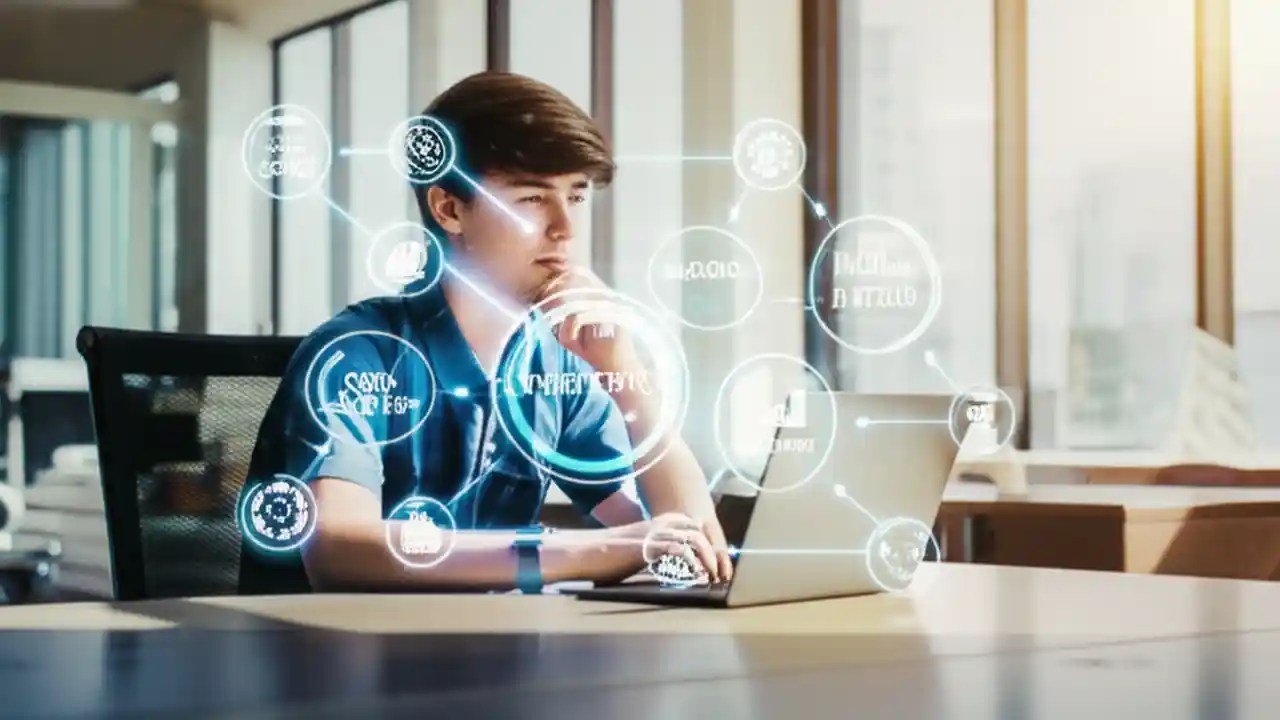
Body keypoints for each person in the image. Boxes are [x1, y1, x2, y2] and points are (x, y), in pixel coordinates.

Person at [239, 71, 730, 594]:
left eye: (577, 197)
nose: (566, 228)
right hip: (326, 661)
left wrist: (624, 370)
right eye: (532, 199)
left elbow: (692, 545)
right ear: (449, 209)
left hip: (483, 657)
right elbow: (337, 547)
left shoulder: (556, 364)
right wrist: (598, 550)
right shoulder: (358, 354)